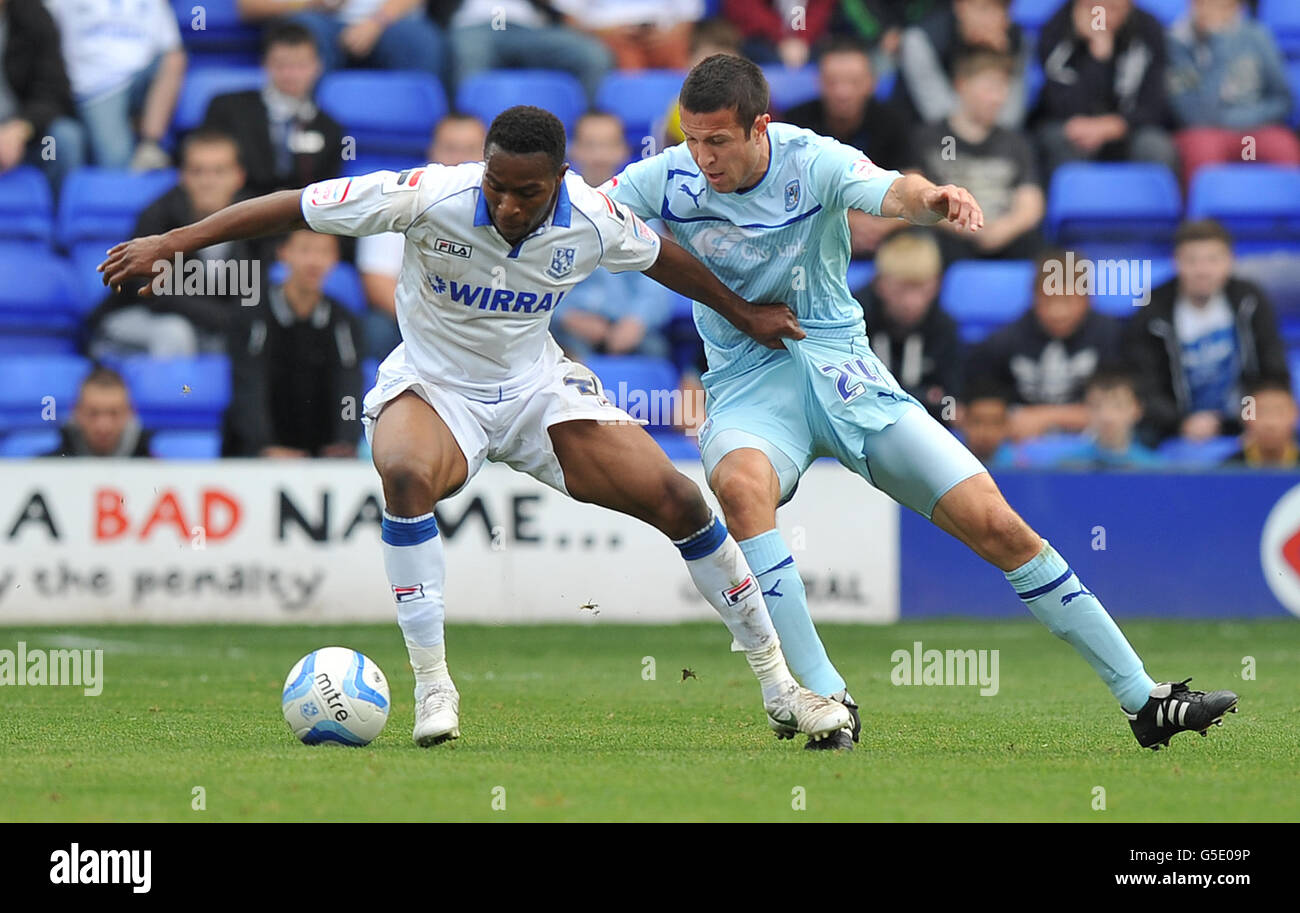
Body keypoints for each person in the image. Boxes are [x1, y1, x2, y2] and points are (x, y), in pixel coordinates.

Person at [99, 104, 852, 749]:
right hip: (434, 385)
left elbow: (664, 258)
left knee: (681, 502)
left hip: (536, 389)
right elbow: (296, 204)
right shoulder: (430, 195)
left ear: (557, 182)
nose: (507, 205)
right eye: (496, 185)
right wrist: (174, 243)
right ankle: (434, 689)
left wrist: (744, 312)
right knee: (404, 477)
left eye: (525, 193)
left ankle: (779, 685)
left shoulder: (590, 217)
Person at [605, 54, 1237, 751]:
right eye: (691, 139)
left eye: (717, 140)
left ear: (760, 126)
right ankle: (824, 696)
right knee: (740, 485)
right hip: (751, 385)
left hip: (846, 372)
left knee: (999, 525)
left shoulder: (810, 159)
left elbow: (886, 189)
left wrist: (931, 199)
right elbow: (588, 213)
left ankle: (1142, 698)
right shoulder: (664, 178)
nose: (702, 157)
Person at [87, 128, 258, 358]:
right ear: (183, 176)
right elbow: (148, 292)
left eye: (219, 171)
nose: (208, 182)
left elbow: (255, 294)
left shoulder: (254, 221)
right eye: (198, 171)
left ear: (239, 176)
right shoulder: (157, 216)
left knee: (255, 339)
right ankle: (177, 395)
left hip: (212, 328)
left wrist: (235, 322)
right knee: (175, 333)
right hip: (135, 320)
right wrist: (227, 320)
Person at [1124, 219, 1289, 444]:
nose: (1202, 270)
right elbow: (1143, 382)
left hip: (1245, 423)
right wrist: (1181, 422)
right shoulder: (1152, 308)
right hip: (1171, 428)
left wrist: (1252, 419)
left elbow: (1272, 368)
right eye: (1191, 260)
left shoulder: (1249, 300)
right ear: (1176, 262)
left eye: (1213, 260)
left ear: (1230, 261)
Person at [357, 112, 487, 360]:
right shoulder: (402, 196)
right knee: (376, 330)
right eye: (450, 148)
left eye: (470, 150)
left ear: (486, 156)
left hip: (476, 321)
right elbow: (377, 281)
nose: (459, 160)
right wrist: (433, 326)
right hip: (411, 318)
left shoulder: (504, 206)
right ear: (432, 151)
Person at [222, 230, 363, 458]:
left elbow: (349, 385)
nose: (314, 261)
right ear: (283, 253)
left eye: (324, 251)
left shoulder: (343, 321)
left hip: (322, 454)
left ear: (336, 258)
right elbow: (248, 383)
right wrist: (264, 446)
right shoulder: (253, 315)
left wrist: (346, 440)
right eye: (305, 250)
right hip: (254, 455)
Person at [964, 248, 1122, 442]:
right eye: (1047, 300)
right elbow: (977, 404)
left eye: (1067, 299)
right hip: (1019, 446)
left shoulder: (1110, 336)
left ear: (1087, 298)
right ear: (1034, 298)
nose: (1057, 311)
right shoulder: (1004, 341)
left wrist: (1046, 416)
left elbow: (1120, 409)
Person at [552, 110, 673, 361]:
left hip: (630, 329)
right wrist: (567, 316)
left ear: (622, 150)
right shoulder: (552, 209)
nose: (598, 155)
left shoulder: (643, 209)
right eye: (590, 145)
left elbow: (658, 279)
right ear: (573, 149)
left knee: (657, 354)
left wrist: (635, 323)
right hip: (567, 329)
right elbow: (537, 276)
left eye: (608, 145)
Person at [909, 50, 1044, 262]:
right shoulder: (930, 138)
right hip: (951, 237)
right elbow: (914, 195)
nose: (998, 98)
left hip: (1004, 235)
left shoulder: (1016, 143)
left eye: (1003, 88)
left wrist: (1004, 229)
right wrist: (965, 227)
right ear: (962, 85)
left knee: (1036, 244)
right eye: (990, 88)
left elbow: (1031, 204)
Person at [1034, 0, 1178, 175]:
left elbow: (1155, 104)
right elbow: (1056, 103)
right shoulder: (1057, 29)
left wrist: (1113, 126)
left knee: (1155, 147)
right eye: (1096, 8)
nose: (1103, 17)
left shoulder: (1147, 28)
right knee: (1062, 142)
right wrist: (1097, 56)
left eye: (1114, 9)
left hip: (1127, 128)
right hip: (1073, 125)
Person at [203, 22, 345, 197]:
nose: (290, 74)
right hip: (236, 210)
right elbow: (204, 164)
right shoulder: (227, 108)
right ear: (265, 64)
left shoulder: (330, 128)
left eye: (300, 65)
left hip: (297, 215)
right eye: (281, 64)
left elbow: (326, 194)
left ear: (317, 66)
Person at [1167, 0, 1299, 186]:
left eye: (1225, 6)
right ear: (1193, 5)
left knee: (1282, 148)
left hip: (1251, 133)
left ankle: (1287, 212)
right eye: (1206, 4)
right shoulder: (1176, 44)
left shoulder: (1256, 36)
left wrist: (1238, 120)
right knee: (1203, 152)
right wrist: (1218, 45)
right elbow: (1193, 115)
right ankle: (1202, 213)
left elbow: (1283, 100)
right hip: (1205, 132)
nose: (1215, 12)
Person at [44, 0, 186, 170]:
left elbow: (171, 44)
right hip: (95, 84)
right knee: (117, 163)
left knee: (174, 59)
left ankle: (150, 144)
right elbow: (40, 34)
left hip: (141, 74)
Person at [851, 230, 962, 424]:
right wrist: (925, 396)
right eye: (902, 289)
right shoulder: (853, 319)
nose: (912, 302)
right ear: (880, 284)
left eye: (922, 288)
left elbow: (950, 405)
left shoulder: (944, 327)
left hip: (925, 430)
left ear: (937, 285)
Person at [783, 36, 911, 173]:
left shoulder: (893, 123)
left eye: (853, 82)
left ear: (871, 82)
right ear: (818, 82)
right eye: (833, 82)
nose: (843, 93)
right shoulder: (795, 126)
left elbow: (911, 175)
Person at [896, 0, 1028, 128]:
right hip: (923, 135)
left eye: (1003, 10)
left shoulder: (1015, 41)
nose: (995, 18)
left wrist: (1001, 59)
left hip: (992, 139)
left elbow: (1010, 118)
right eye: (984, 8)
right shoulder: (921, 40)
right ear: (960, 6)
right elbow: (938, 113)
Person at [446, 0, 612, 101]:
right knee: (471, 58)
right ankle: (468, 138)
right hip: (474, 25)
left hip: (530, 28)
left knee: (592, 56)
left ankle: (585, 138)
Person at [237, 0, 446, 79]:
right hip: (320, 22)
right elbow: (249, 7)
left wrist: (376, 22)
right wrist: (307, 2)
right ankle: (308, 122)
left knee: (421, 39)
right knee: (303, 29)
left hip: (388, 23)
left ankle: (416, 126)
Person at [0, 0, 84, 190]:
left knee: (61, 141)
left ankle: (59, 215)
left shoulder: (33, 16)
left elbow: (53, 92)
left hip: (27, 138)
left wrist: (20, 129)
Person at [1056, 368, 1162, 469]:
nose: (1107, 416)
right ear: (1086, 408)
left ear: (1137, 410)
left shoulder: (1155, 469)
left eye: (1118, 406)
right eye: (1097, 406)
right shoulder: (1069, 467)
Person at [556, 0, 701, 71]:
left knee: (677, 50)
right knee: (627, 60)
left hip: (663, 36)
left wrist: (666, 36)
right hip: (606, 37)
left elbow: (687, 18)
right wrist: (606, 33)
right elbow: (571, 20)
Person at [43, 366, 153, 458]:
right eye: (93, 413)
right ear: (77, 412)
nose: (103, 426)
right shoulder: (44, 469)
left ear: (129, 413)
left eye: (113, 413)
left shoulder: (157, 470)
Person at [1223, 378, 1300, 469]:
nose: (1270, 423)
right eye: (1261, 412)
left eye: (1279, 412)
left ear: (1295, 414)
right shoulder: (1228, 469)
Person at [959, 380, 1016, 468]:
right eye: (977, 422)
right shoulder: (947, 460)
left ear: (1007, 425)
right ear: (964, 423)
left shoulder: (1021, 465)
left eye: (995, 423)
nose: (986, 432)